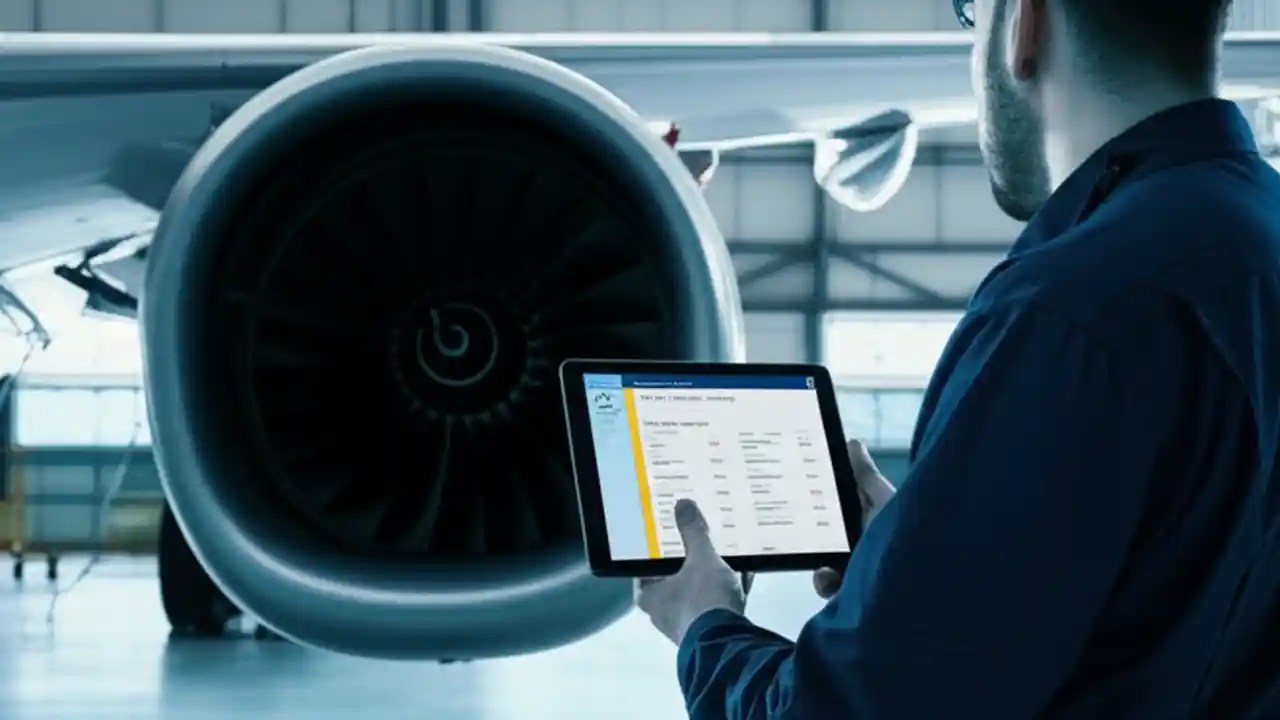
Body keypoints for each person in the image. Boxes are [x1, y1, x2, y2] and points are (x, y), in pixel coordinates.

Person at [636, 0, 1280, 717]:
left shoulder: (1073, 306)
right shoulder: (1256, 235)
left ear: (1024, 26)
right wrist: (922, 551)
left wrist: (704, 625)